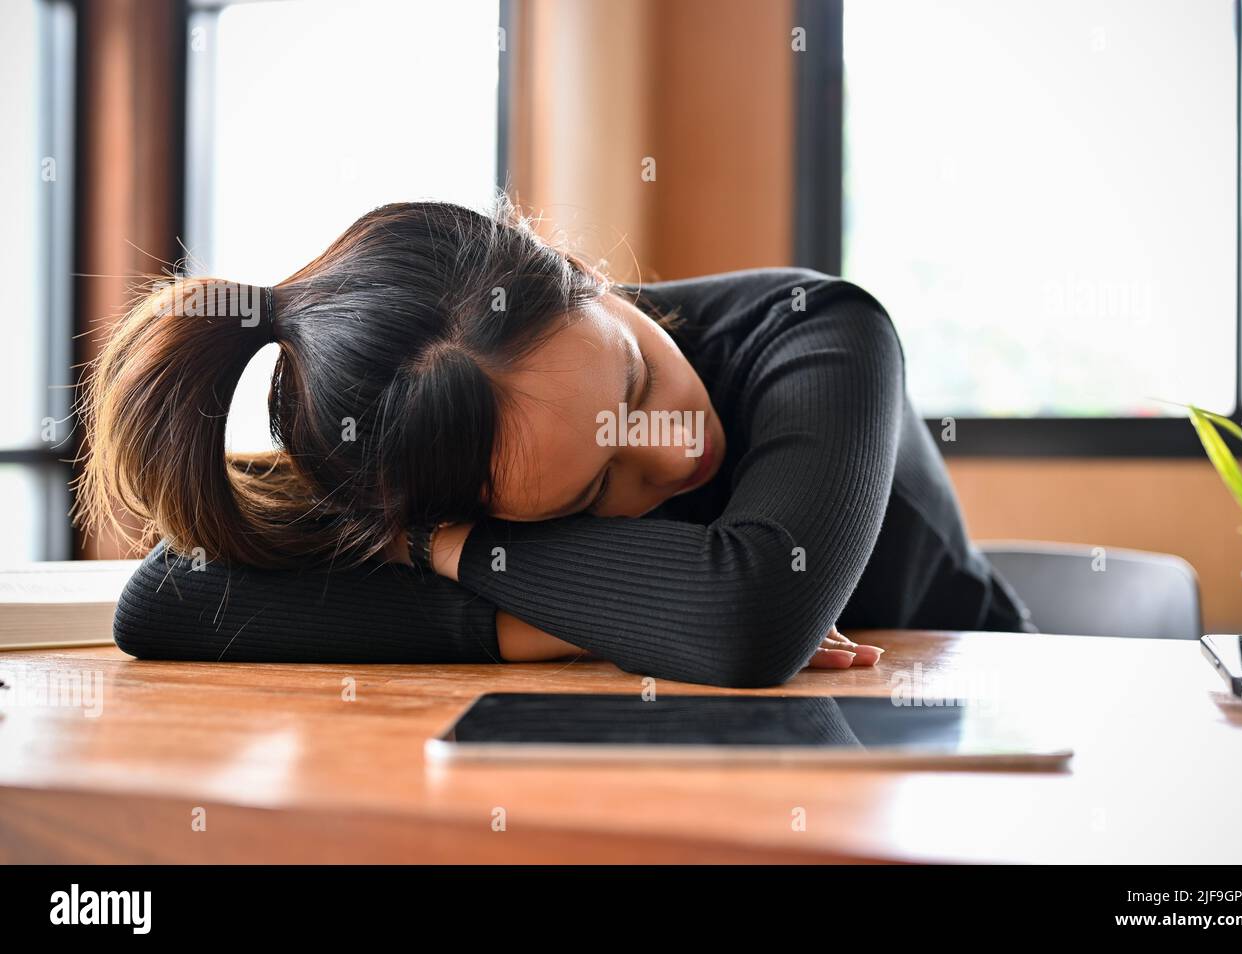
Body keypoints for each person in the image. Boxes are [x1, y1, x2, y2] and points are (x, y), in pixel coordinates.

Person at [78, 192, 1034, 689]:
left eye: (636, 381)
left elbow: (750, 619)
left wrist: (440, 556)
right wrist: (533, 611)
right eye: (587, 499)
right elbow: (168, 602)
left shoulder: (817, 327)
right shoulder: (430, 459)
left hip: (974, 707)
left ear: (584, 277)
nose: (671, 450)